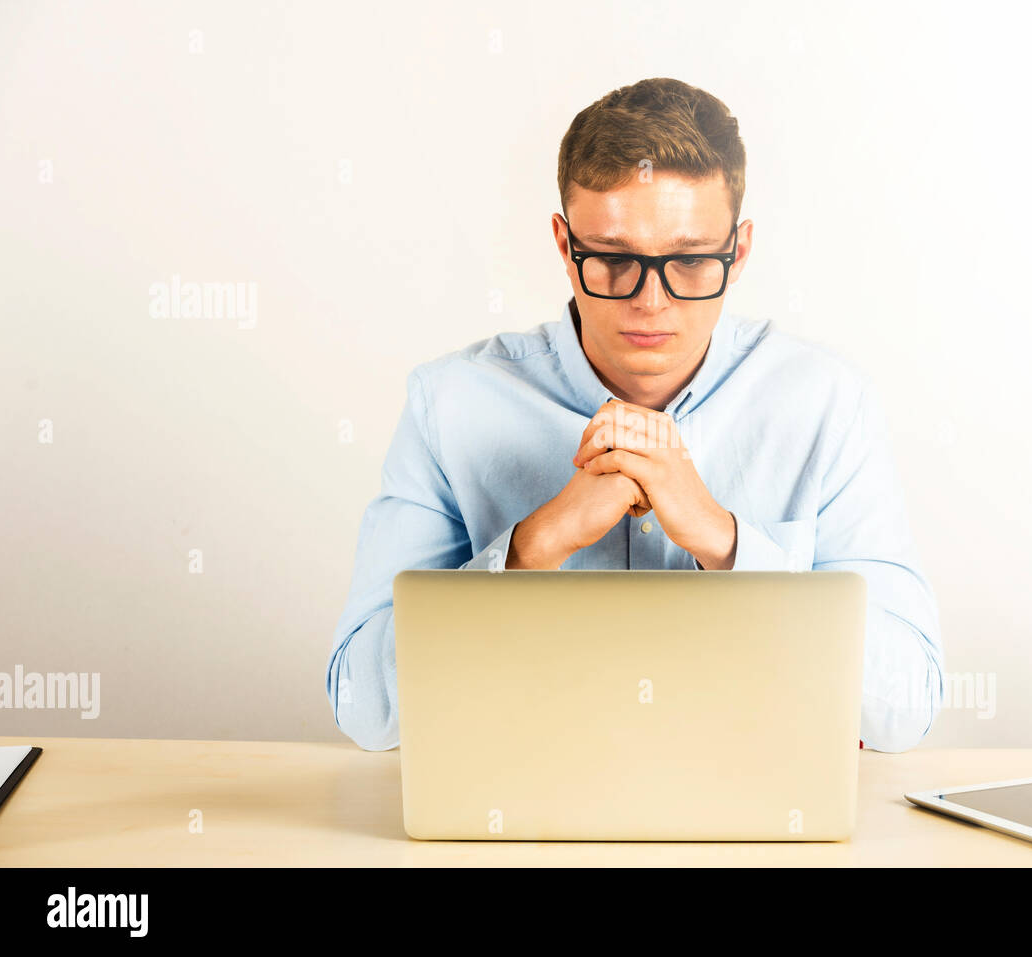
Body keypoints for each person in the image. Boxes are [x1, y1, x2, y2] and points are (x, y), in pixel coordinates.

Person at [327, 77, 944, 754]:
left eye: (687, 259)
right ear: (566, 246)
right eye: (616, 259)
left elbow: (905, 708)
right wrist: (535, 547)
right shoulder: (449, 404)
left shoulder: (826, 403)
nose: (651, 299)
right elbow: (364, 706)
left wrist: (723, 540)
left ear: (737, 252)